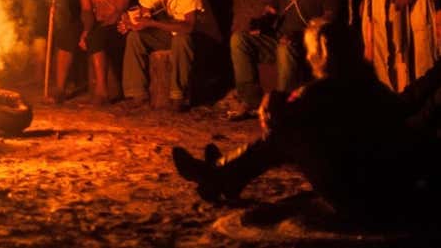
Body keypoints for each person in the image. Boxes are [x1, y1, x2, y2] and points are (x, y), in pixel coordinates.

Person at [172, 18, 441, 223]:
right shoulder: (368, 85)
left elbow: (277, 123)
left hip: (352, 196)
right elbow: (405, 103)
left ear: (322, 53)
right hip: (385, 189)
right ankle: (224, 173)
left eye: (311, 49)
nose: (308, 56)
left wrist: (275, 101)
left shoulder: (320, 93)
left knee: (284, 136)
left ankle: (219, 176)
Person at [228, 0, 341, 119]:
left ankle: (281, 109)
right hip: (281, 39)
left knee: (284, 48)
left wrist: (300, 36)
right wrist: (261, 23)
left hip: (308, 45)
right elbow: (271, 10)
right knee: (239, 40)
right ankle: (252, 101)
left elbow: (329, 19)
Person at [119, 0, 204, 112]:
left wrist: (151, 23)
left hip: (192, 38)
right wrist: (131, 23)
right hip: (166, 35)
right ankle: (137, 93)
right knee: (134, 38)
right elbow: (145, 17)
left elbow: (188, 27)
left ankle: (177, 96)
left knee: (181, 39)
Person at [72, 0, 133, 104]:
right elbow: (86, 9)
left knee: (96, 37)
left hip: (119, 24)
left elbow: (120, 10)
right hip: (98, 22)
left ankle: (102, 91)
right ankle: (60, 90)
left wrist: (93, 32)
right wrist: (86, 29)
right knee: (67, 33)